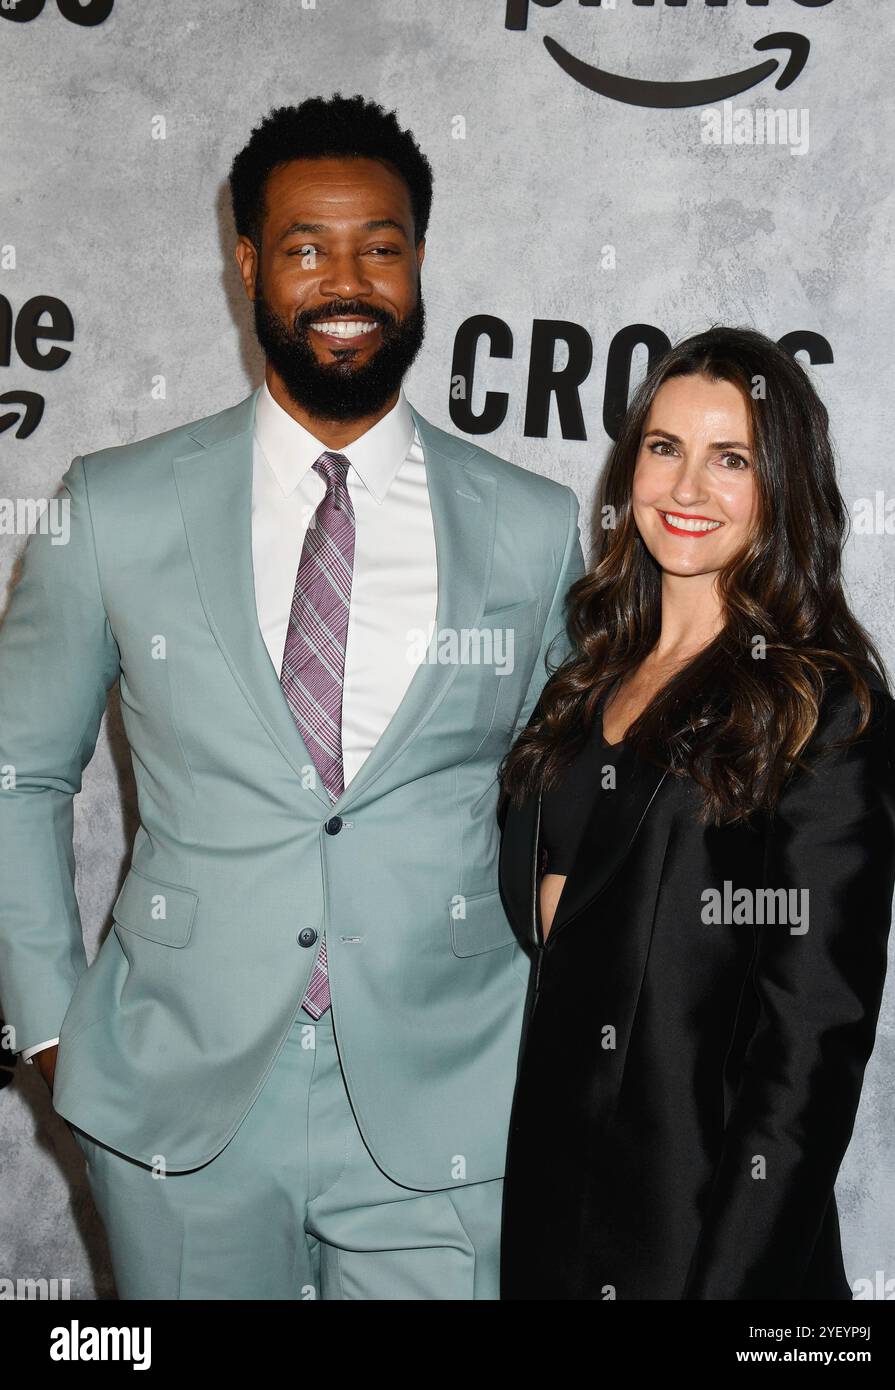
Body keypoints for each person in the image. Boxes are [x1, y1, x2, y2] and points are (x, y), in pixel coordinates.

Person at [0, 92, 583, 1300]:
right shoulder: (112, 504)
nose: (346, 278)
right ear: (250, 263)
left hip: (453, 1095)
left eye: (380, 244)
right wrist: (50, 1025)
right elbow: (18, 771)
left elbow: (575, 799)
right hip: (177, 1096)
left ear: (419, 262)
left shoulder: (532, 526)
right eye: (308, 247)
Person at [497, 325, 895, 1300]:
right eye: (664, 448)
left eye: (730, 459)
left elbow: (809, 1054)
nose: (688, 489)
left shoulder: (824, 709)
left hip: (709, 1250)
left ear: (782, 486)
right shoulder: (585, 682)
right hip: (555, 1230)